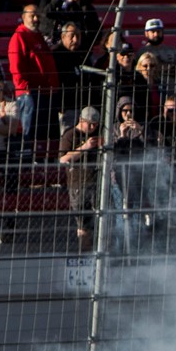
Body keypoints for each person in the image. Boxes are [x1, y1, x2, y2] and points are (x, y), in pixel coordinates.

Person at [8, 3, 59, 141]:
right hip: (30, 93)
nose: (36, 19)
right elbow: (16, 66)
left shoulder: (38, 37)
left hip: (45, 92)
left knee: (43, 132)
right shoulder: (19, 37)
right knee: (30, 132)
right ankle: (28, 158)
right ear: (23, 17)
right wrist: (25, 89)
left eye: (38, 15)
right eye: (32, 16)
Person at [58, 104, 104, 248]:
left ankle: (98, 253)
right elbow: (63, 159)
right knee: (84, 225)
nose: (92, 128)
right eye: (89, 124)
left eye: (95, 125)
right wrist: (84, 147)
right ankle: (84, 254)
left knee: (100, 221)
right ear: (80, 120)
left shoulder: (97, 135)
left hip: (96, 183)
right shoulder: (70, 135)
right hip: (78, 185)